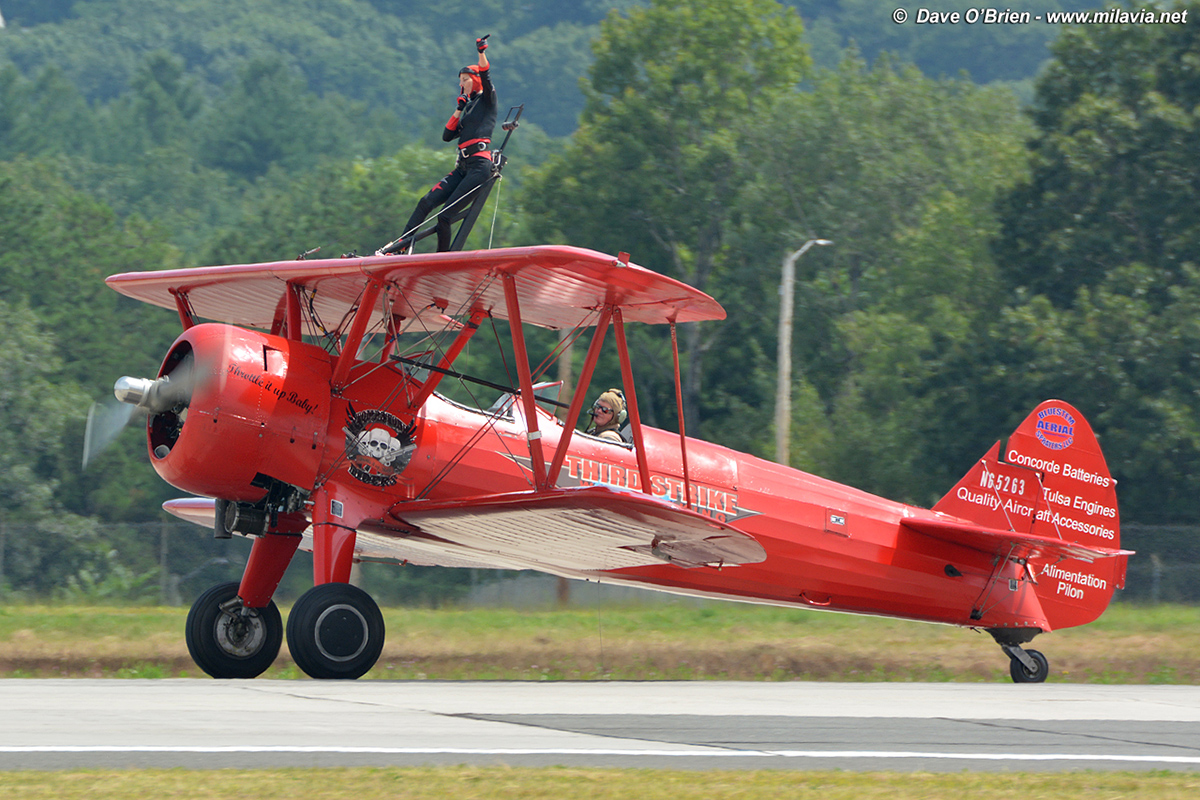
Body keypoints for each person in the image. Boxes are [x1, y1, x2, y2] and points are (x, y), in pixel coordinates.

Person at [383, 36, 497, 254]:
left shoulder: (487, 100)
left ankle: (443, 259)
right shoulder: (469, 106)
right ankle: (400, 245)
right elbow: (447, 135)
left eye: (464, 79)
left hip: (479, 168)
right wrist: (458, 109)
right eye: (460, 80)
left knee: (444, 216)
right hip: (463, 167)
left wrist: (481, 52)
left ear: (475, 80)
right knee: (426, 202)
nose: (460, 84)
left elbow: (486, 75)